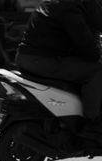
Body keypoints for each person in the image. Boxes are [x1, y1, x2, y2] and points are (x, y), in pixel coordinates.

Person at [15, 0, 102, 133]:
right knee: (97, 70)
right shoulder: (69, 8)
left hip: (28, 58)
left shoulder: (53, 2)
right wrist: (96, 54)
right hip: (42, 61)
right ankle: (91, 124)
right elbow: (84, 43)